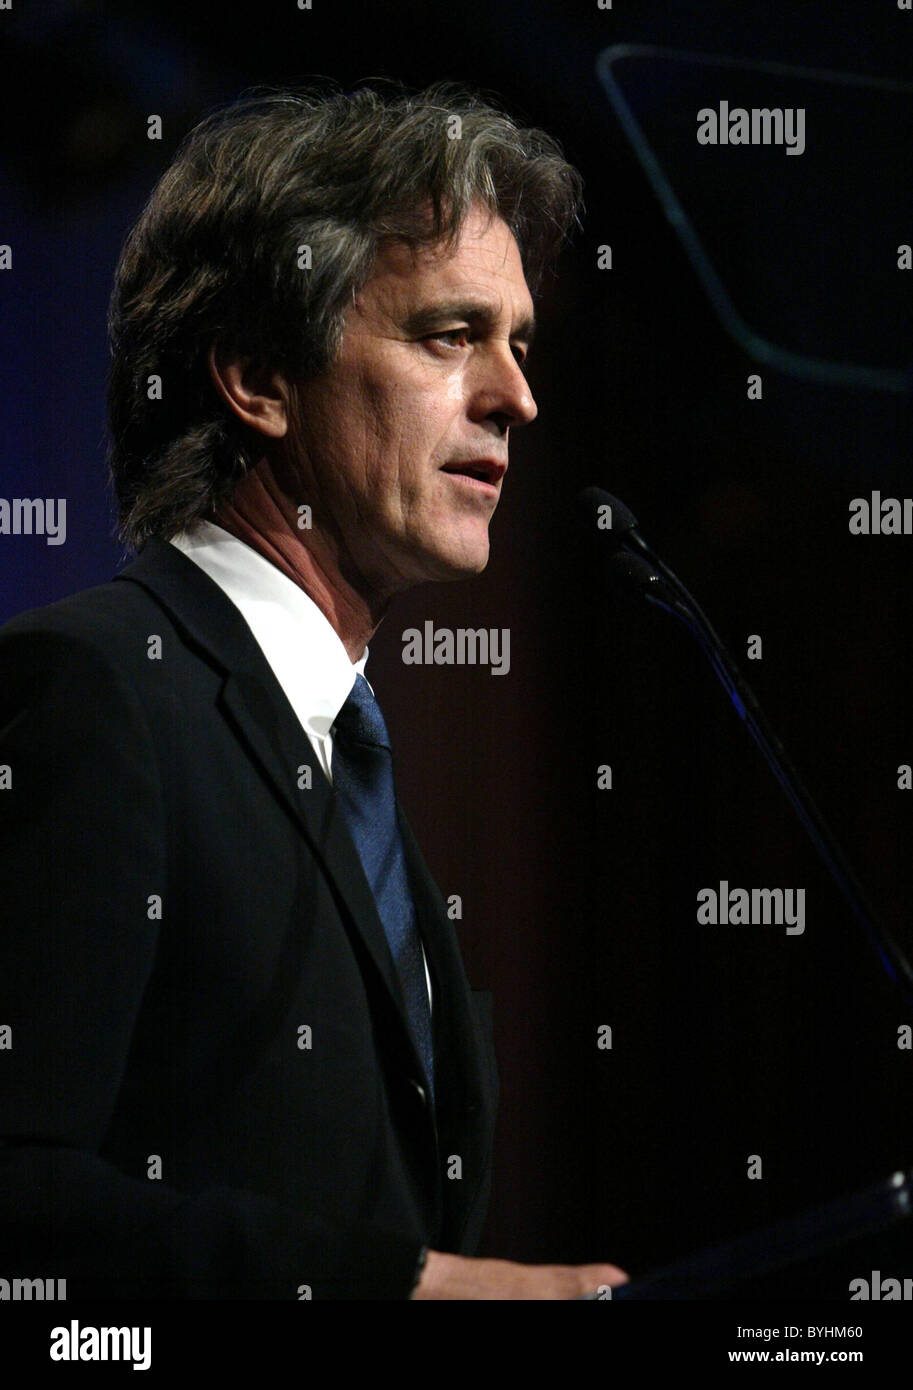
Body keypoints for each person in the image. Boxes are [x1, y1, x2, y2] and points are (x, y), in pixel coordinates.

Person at [0, 82, 628, 1299]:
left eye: (520, 342)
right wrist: (413, 1288)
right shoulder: (100, 695)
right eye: (450, 335)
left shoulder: (346, 763)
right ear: (258, 376)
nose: (515, 395)